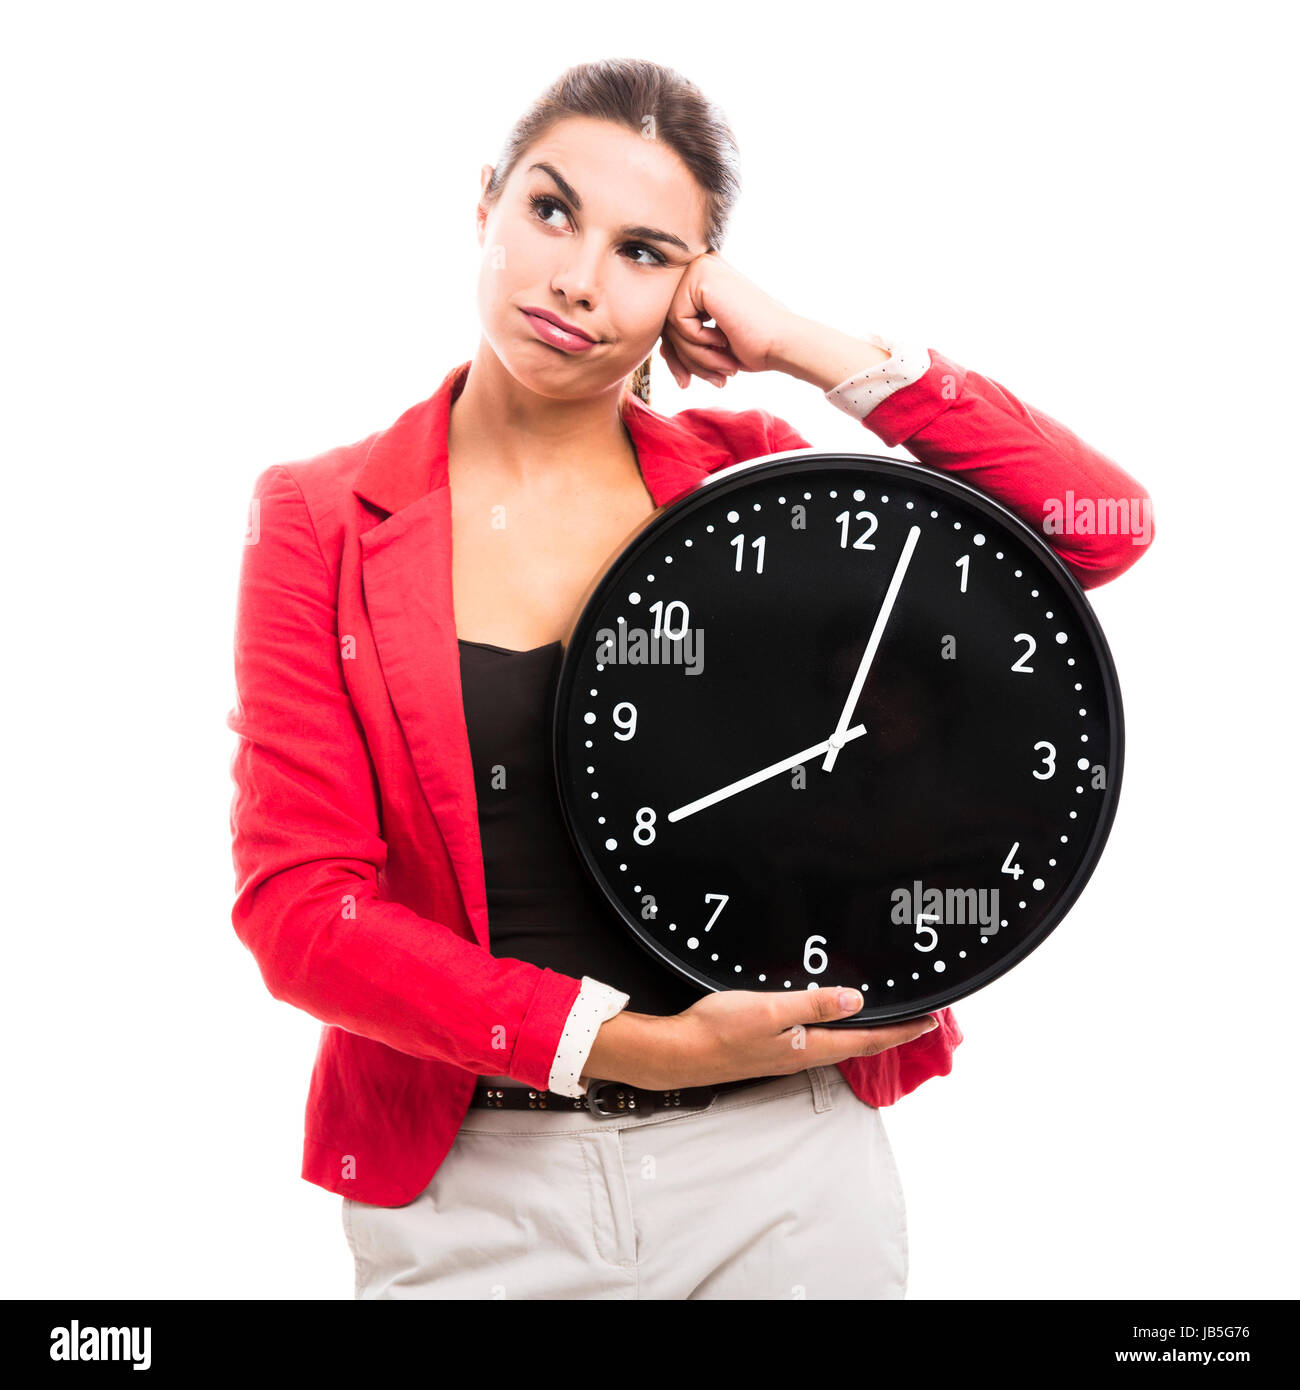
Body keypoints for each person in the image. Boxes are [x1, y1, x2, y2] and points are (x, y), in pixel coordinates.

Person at [226, 57, 1155, 1300]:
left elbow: (1101, 526)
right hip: (474, 1190)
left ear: (690, 288)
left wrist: (801, 345)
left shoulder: (751, 485)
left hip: (780, 1174)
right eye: (552, 211)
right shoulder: (321, 516)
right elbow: (300, 910)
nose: (578, 277)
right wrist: (631, 1050)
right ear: (486, 201)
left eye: (645, 251)